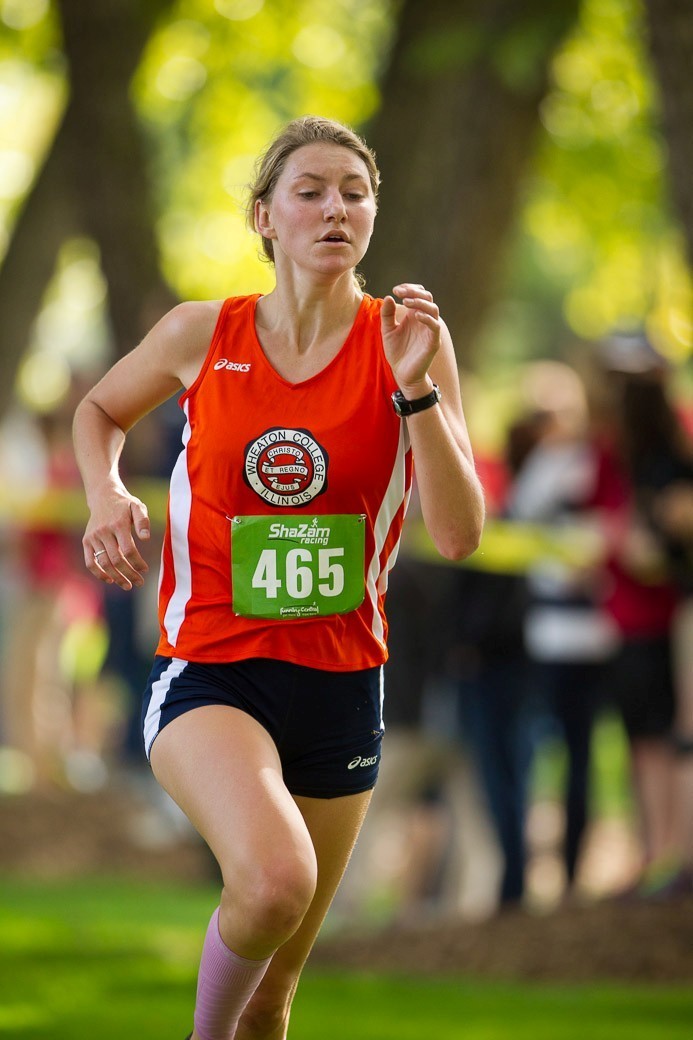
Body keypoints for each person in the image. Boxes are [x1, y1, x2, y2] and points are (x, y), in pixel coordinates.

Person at [72, 115, 484, 1040]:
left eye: (354, 193)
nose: (336, 208)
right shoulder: (199, 332)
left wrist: (416, 390)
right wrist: (106, 495)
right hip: (211, 669)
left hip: (342, 683)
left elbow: (459, 534)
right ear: (265, 216)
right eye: (311, 191)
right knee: (273, 882)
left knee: (270, 1000)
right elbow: (98, 410)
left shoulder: (408, 340)